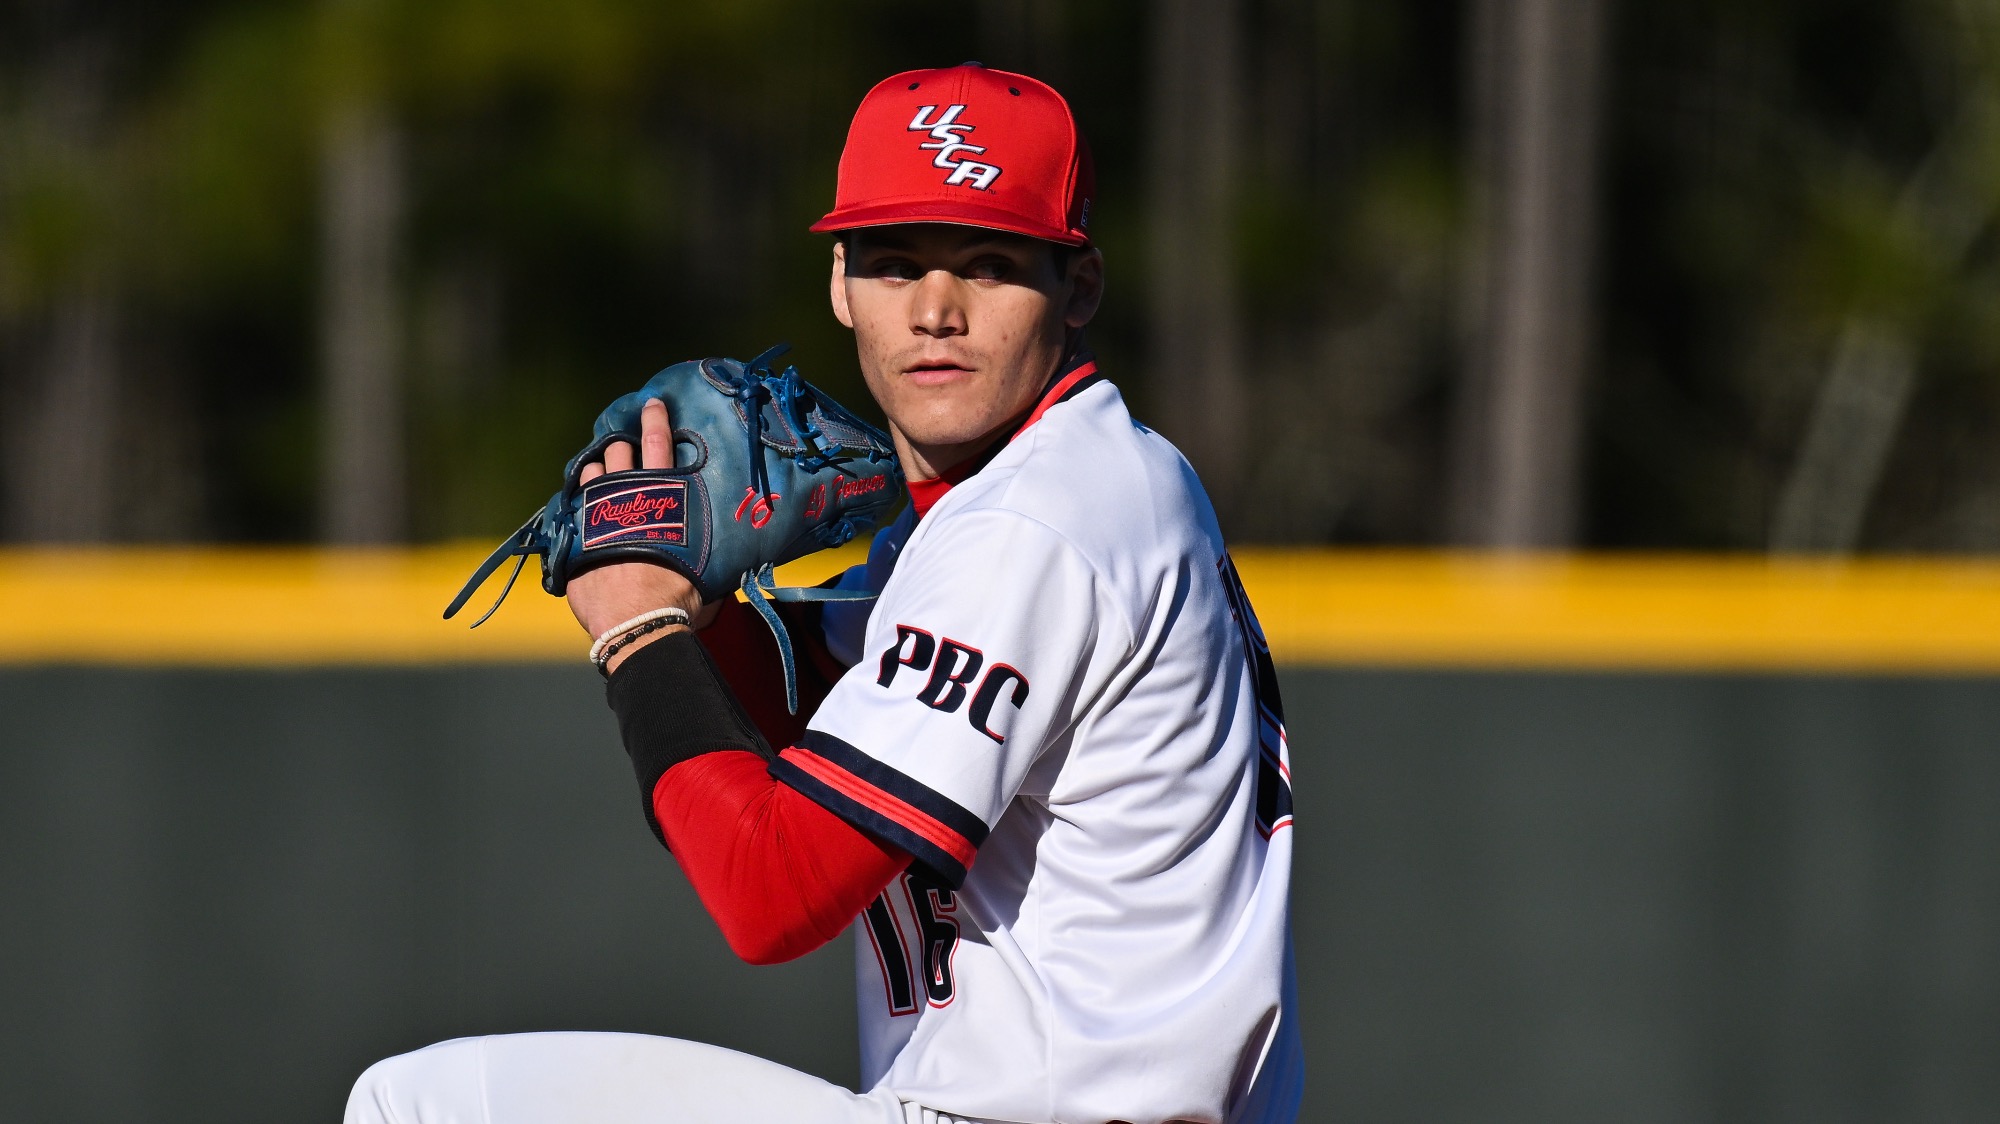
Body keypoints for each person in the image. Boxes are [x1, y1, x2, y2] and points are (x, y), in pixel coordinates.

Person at [346, 62, 1300, 1124]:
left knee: (423, 1102)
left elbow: (771, 890)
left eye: (987, 264)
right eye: (896, 264)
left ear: (1076, 285)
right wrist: (698, 602)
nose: (936, 310)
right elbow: (803, 730)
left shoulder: (1034, 524)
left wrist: (640, 628)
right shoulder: (1056, 492)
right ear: (840, 284)